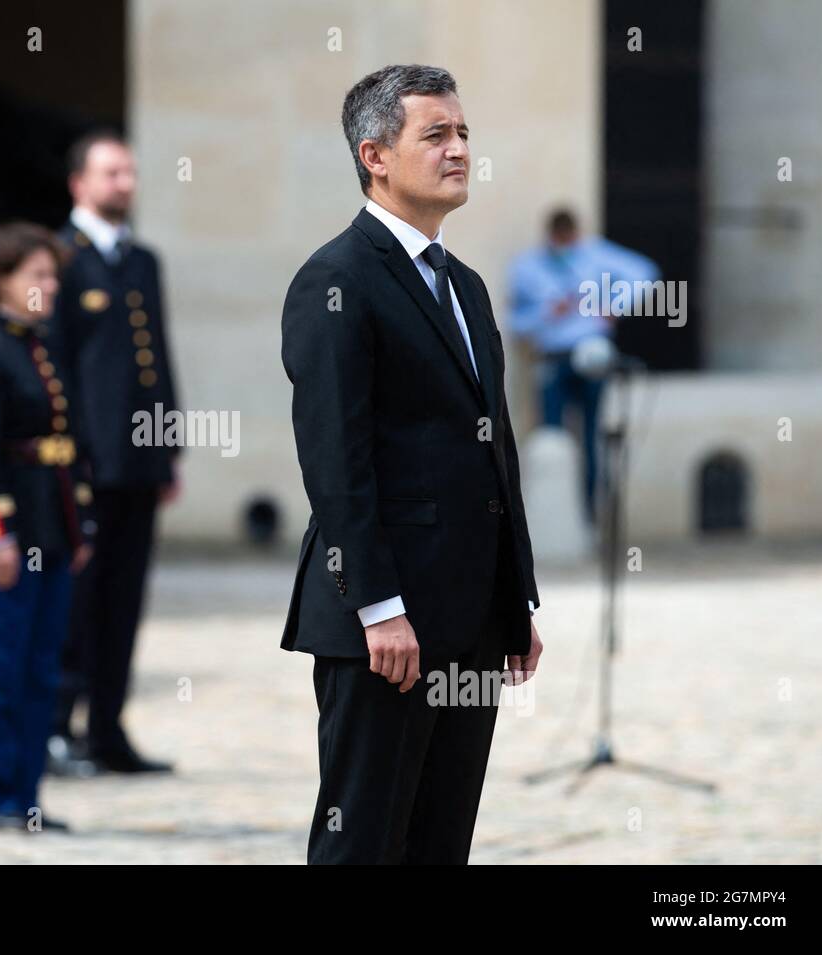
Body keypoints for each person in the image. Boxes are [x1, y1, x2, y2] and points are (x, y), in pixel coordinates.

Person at [280, 65, 543, 864]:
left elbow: (493, 448)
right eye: (436, 134)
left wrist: (515, 596)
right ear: (376, 154)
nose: (459, 149)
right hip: (387, 624)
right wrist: (377, 606)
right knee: (363, 839)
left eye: (463, 133)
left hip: (470, 616)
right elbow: (336, 463)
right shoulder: (336, 280)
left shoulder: (462, 284)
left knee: (439, 843)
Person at [0, 222, 94, 831]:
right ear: (0, 280)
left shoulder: (40, 346)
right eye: (35, 275)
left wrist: (77, 527)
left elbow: (65, 447)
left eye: (52, 274)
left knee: (40, 671)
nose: (49, 286)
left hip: (48, 531)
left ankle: (26, 798)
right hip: (3, 538)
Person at [48, 132, 179, 775]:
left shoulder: (141, 260)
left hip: (140, 463)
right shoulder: (59, 259)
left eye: (128, 172)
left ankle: (107, 727)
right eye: (109, 173)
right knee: (78, 599)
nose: (123, 183)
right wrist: (70, 454)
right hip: (88, 464)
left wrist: (169, 446)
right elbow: (57, 365)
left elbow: (157, 359)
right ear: (79, 183)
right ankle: (57, 727)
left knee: (124, 601)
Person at [508, 208, 659, 519]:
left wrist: (615, 305)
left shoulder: (596, 255)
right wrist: (549, 312)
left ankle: (590, 514)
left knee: (593, 435)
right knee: (552, 438)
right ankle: (552, 515)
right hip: (552, 356)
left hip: (592, 355)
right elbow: (515, 322)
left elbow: (646, 273)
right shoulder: (528, 266)